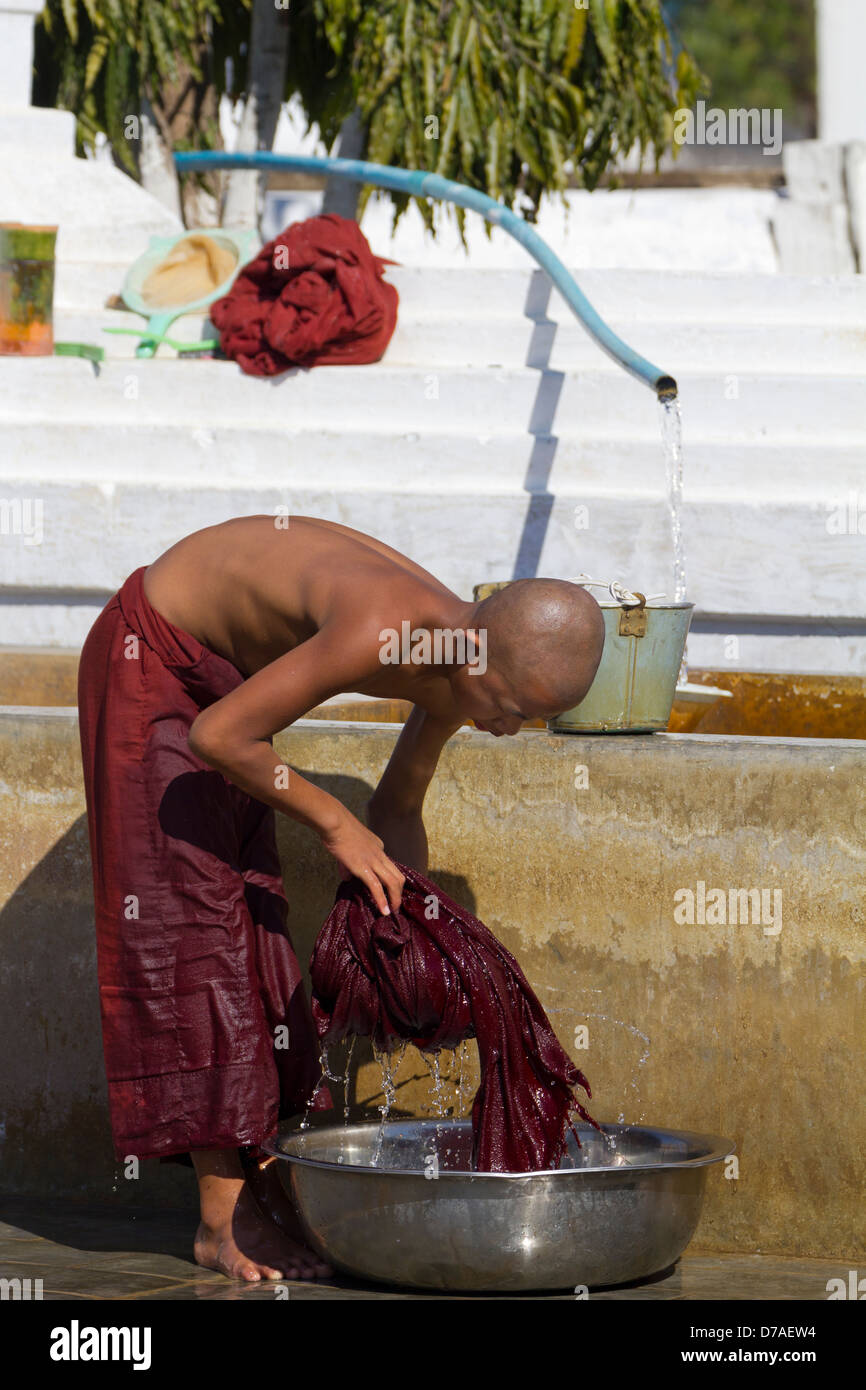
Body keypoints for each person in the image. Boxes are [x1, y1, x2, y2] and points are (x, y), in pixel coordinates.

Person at [77, 514, 605, 1283]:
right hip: (151, 659)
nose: (505, 728)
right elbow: (221, 738)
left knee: (252, 923)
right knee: (188, 934)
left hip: (229, 691)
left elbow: (397, 810)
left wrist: (415, 935)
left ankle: (257, 1181)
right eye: (506, 706)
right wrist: (334, 825)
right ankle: (220, 1223)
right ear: (475, 650)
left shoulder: (463, 662)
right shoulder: (386, 628)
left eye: (529, 720)